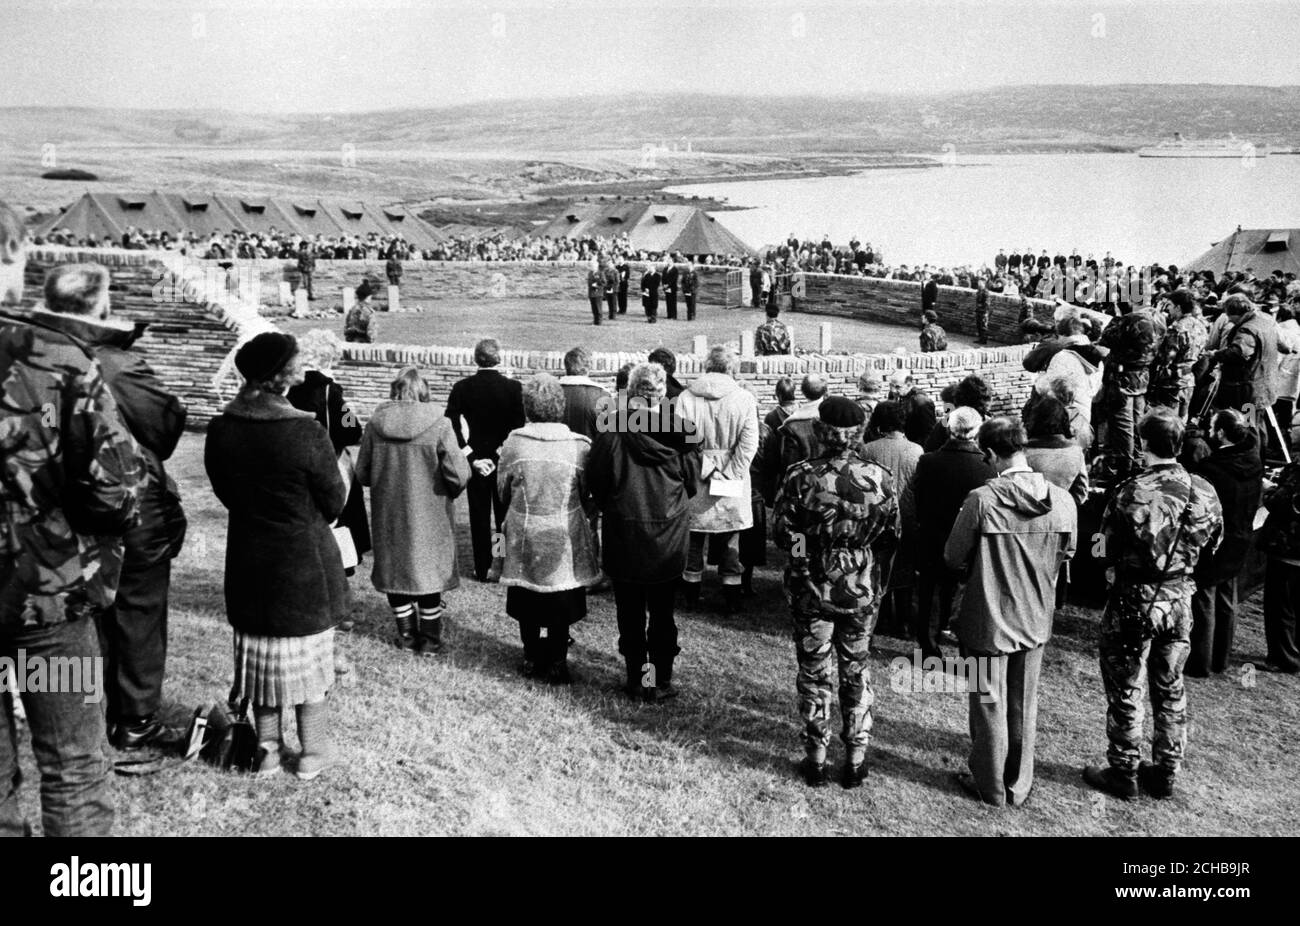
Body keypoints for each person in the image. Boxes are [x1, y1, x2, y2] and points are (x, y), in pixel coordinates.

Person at [1, 201, 144, 835]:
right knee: (74, 766)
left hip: (44, 591)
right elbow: (116, 483)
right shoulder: (53, 358)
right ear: (13, 259)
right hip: (47, 601)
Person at [41, 265, 188, 753]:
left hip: (50, 508)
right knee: (137, 607)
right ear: (100, 307)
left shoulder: (24, 356)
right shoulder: (112, 363)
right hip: (123, 500)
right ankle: (134, 718)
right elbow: (165, 425)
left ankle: (84, 711)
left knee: (78, 611)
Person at [205, 332, 349, 780]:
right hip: (302, 563)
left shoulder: (222, 427)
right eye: (297, 360)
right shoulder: (304, 431)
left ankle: (266, 751)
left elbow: (224, 491)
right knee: (308, 663)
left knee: (261, 659)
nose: (304, 365)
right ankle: (312, 753)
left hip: (249, 557)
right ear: (281, 375)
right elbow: (335, 501)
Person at [1084, 410, 1223, 800]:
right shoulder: (1204, 490)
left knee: (1127, 687)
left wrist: (1110, 567)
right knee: (1170, 687)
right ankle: (1165, 771)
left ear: (1144, 443)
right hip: (1180, 600)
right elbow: (1214, 543)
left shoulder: (1132, 491)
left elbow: (1100, 546)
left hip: (1135, 600)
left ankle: (1124, 770)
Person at [945, 417, 1076, 807]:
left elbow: (953, 556)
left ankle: (989, 785)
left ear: (989, 454)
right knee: (1024, 704)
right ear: (1024, 449)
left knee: (989, 703)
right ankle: (1017, 784)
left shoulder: (982, 500)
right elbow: (1067, 553)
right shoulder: (1063, 500)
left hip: (988, 614)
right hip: (1036, 614)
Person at [773, 397, 900, 788]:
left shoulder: (800, 476)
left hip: (812, 588)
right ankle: (857, 758)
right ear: (859, 433)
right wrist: (866, 565)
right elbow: (891, 536)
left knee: (814, 673)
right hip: (860, 587)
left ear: (822, 431)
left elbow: (784, 533)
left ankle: (817, 759)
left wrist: (803, 561)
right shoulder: (880, 477)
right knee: (856, 671)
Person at [588, 362, 702, 701]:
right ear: (662, 392)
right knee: (662, 610)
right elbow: (692, 482)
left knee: (631, 610)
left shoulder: (611, 429)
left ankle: (641, 679)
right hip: (666, 531)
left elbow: (596, 481)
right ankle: (656, 680)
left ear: (631, 391)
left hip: (626, 529)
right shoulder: (682, 431)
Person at [356, 367, 470, 655]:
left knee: (395, 569)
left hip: (389, 511)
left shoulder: (374, 424)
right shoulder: (440, 424)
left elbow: (362, 473)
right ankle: (430, 640)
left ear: (394, 392)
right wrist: (451, 490)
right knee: (428, 570)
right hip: (429, 511)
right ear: (424, 393)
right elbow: (459, 473)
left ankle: (407, 636)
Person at [498, 374, 600, 684]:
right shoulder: (578, 446)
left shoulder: (514, 443)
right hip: (563, 530)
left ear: (528, 407)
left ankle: (531, 656)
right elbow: (587, 493)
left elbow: (502, 488)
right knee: (561, 597)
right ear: (560, 406)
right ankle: (556, 660)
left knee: (526, 593)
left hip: (524, 529)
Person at [676, 345, 759, 614]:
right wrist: (730, 475)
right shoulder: (744, 398)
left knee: (694, 539)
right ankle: (732, 599)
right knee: (729, 538)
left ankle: (691, 597)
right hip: (731, 472)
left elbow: (684, 441)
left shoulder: (686, 398)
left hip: (696, 474)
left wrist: (708, 469)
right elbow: (748, 445)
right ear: (731, 369)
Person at [911, 407, 996, 658]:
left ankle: (928, 647)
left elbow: (918, 496)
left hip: (933, 535)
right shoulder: (986, 467)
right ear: (977, 431)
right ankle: (965, 649)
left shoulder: (928, 461)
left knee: (930, 592)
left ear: (949, 428)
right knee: (965, 592)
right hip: (969, 539)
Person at [287, 329, 371, 578]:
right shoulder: (329, 391)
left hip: (296, 462)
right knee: (337, 518)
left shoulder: (289, 388)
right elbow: (351, 429)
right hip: (329, 460)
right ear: (329, 358)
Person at [1186, 410, 1262, 677]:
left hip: (1214, 543)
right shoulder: (1252, 461)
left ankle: (1200, 662)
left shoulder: (1213, 470)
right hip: (1240, 540)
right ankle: (1220, 658)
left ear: (1219, 433)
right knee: (1227, 601)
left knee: (1204, 600)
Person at [446, 338, 525, 582]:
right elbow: (518, 426)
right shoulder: (513, 388)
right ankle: (499, 563)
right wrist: (500, 453)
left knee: (479, 516)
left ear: (475, 359)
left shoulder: (462, 388)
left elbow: (451, 426)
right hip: (501, 462)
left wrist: (471, 456)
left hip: (477, 463)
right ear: (499, 358)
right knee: (501, 518)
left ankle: (482, 567)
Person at [861, 400, 922, 638]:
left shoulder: (868, 450)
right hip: (907, 517)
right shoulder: (916, 451)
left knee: (880, 568)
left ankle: (883, 618)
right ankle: (904, 622)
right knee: (905, 570)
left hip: (878, 517)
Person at [1097, 301, 1165, 476]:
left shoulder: (1132, 320)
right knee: (1138, 422)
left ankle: (1125, 468)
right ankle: (1139, 461)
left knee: (1123, 426)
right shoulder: (1158, 320)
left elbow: (1106, 338)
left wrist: (1117, 319)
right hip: (1141, 376)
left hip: (1122, 378)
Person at [1259, 456, 1300, 675]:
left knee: (1280, 607)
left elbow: (1281, 503)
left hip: (1288, 548)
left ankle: (1284, 658)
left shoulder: (1297, 472)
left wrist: (1268, 490)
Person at [1147, 291, 1207, 421]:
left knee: (1166, 423)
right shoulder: (1201, 326)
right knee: (1181, 422)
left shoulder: (1177, 328)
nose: (1168, 308)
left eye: (1170, 305)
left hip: (1171, 382)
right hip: (1188, 380)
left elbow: (1165, 358)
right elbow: (1202, 353)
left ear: (1178, 307)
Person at [1023, 396, 1089, 506]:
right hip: (1063, 513)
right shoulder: (1076, 452)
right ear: (1064, 420)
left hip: (1026, 515)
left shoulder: (1021, 454)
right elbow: (1081, 493)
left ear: (1034, 421)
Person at [558, 346, 611, 440]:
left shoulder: (551, 392)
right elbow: (609, 437)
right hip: (590, 452)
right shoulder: (602, 395)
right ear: (588, 367)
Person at [585, 259, 603, 325]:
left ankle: (599, 321)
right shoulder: (590, 273)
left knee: (598, 308)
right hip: (591, 293)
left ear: (597, 266)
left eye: (593, 265)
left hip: (598, 293)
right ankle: (595, 320)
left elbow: (604, 282)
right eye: (591, 265)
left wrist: (597, 285)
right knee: (594, 308)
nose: (592, 267)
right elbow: (589, 282)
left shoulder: (600, 273)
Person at [974, 277, 990, 344]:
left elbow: (987, 303)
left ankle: (984, 339)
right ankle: (980, 338)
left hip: (983, 311)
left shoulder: (985, 292)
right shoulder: (979, 291)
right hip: (978, 310)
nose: (979, 284)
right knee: (979, 325)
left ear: (984, 283)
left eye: (980, 282)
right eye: (978, 282)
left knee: (983, 326)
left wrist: (983, 309)